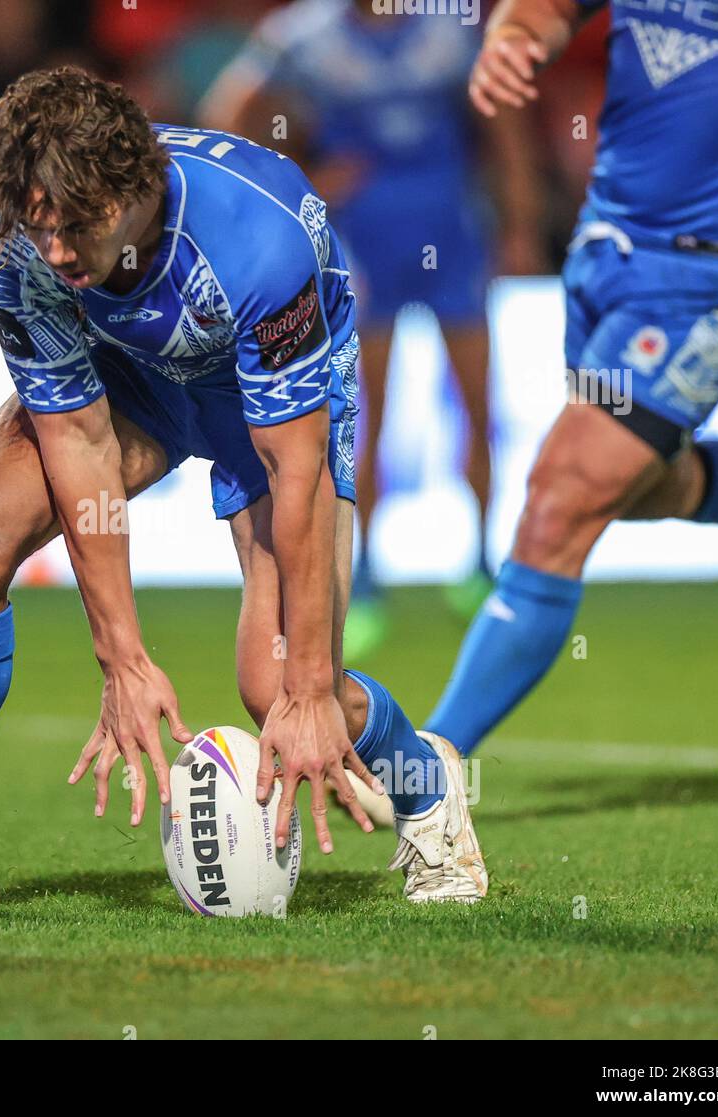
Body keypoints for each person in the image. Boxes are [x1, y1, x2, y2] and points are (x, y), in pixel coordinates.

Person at [0, 67, 487, 924]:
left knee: (275, 683)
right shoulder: (12, 250)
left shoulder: (259, 236)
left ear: (137, 192)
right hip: (133, 382)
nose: (56, 253)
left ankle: (429, 794)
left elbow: (297, 473)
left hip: (265, 413)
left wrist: (313, 686)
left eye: (77, 227)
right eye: (38, 225)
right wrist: (124, 660)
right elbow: (77, 442)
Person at [423, 0, 718, 754]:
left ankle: (423, 770)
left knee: (559, 502)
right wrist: (515, 39)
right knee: (652, 487)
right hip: (607, 251)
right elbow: (547, 9)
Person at [201, 0, 546, 659]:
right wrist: (294, 183)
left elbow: (502, 124)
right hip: (363, 246)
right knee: (363, 416)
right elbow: (228, 115)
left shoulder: (453, 29)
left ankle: (479, 560)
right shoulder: (304, 36)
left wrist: (521, 219)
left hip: (453, 236)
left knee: (477, 403)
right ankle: (363, 577)